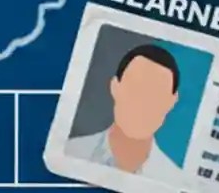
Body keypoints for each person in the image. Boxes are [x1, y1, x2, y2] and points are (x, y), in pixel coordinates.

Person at [64, 44, 184, 186]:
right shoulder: (70, 151)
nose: (142, 104)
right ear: (115, 86)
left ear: (172, 101)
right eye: (135, 87)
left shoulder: (175, 182)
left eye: (156, 94)